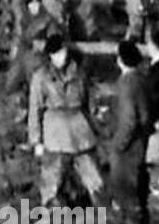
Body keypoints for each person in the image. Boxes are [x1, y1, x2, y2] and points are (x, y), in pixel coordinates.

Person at [27, 33, 105, 206]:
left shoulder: (80, 73)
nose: (61, 56)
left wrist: (97, 128)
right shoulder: (41, 77)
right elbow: (35, 109)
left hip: (80, 131)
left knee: (96, 181)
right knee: (51, 183)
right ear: (50, 56)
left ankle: (105, 221)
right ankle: (50, 220)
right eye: (57, 53)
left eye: (63, 52)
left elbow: (89, 103)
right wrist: (36, 141)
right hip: (54, 133)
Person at [109, 39, 152, 224]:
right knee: (134, 185)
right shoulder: (142, 78)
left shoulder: (126, 83)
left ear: (120, 60)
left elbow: (129, 119)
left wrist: (119, 144)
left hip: (128, 145)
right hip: (141, 140)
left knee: (123, 187)